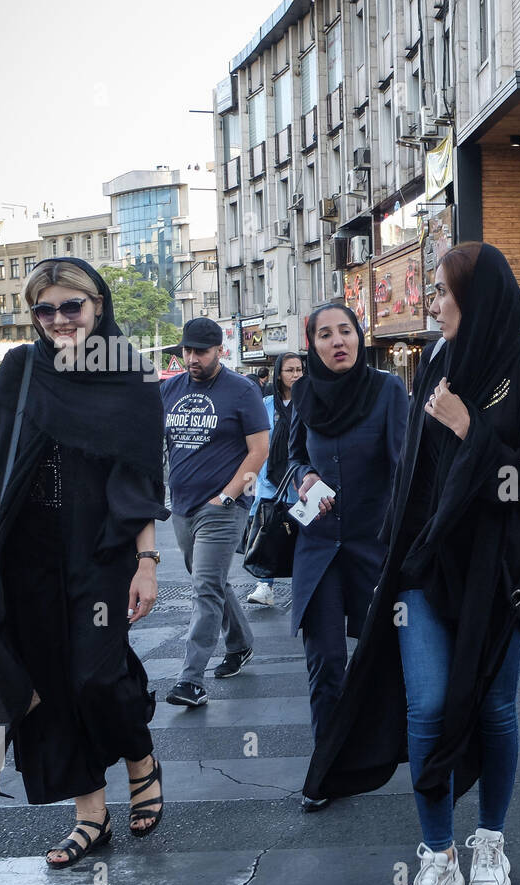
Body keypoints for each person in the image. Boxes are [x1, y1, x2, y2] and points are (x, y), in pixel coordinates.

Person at [302, 242, 520, 885]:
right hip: (424, 566)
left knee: (495, 708)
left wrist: (473, 431)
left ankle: (490, 842)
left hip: (498, 573)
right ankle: (438, 856)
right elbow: (414, 471)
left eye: (443, 292)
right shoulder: (436, 364)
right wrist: (394, 557)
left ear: (479, 300)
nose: (433, 303)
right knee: (428, 706)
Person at [0, 257, 168, 868]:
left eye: (71, 306)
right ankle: (91, 814)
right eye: (45, 309)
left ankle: (139, 757)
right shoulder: (19, 368)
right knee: (48, 683)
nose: (59, 319)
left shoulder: (129, 375)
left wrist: (146, 561)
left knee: (96, 674)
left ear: (97, 305)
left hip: (100, 549)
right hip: (24, 551)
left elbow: (140, 477)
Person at [289, 303, 407, 795]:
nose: (338, 341)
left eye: (346, 331)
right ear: (312, 345)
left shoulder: (388, 390)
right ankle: (327, 771)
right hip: (318, 550)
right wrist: (305, 476)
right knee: (325, 664)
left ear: (359, 337)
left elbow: (404, 467)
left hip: (373, 546)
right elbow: (292, 458)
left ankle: (393, 753)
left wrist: (405, 539)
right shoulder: (303, 394)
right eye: (325, 335)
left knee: (389, 657)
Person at [161, 318, 269, 707]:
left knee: (204, 587)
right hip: (182, 506)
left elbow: (260, 449)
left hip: (223, 507)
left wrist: (227, 496)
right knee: (212, 581)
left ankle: (190, 680)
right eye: (187, 351)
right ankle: (240, 643)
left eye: (201, 352)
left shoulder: (241, 390)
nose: (192, 358)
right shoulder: (169, 389)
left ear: (219, 351)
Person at [246, 352, 305, 607]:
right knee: (268, 532)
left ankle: (302, 588)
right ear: (279, 374)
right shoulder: (266, 404)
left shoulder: (309, 402)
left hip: (301, 482)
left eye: (299, 370)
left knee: (302, 536)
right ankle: (265, 585)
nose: (295, 375)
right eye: (290, 370)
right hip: (270, 483)